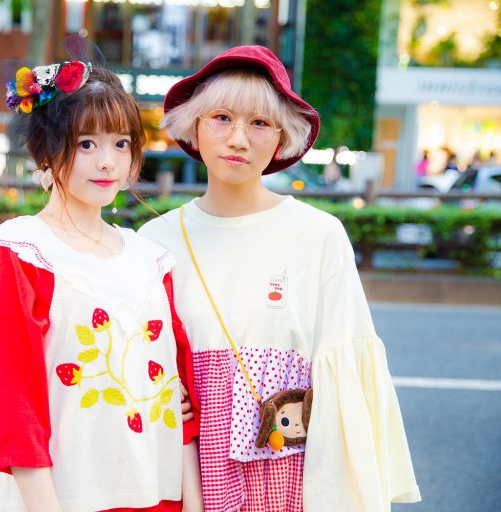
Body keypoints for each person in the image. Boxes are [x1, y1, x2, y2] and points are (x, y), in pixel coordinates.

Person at [139, 46, 420, 512]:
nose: (238, 139)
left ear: (281, 137)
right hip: (183, 470)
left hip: (286, 473)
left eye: (259, 123)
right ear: (194, 126)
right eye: (222, 118)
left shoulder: (319, 235)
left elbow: (344, 374)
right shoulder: (155, 240)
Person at [0, 59, 202, 512]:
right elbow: (13, 410)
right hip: (65, 497)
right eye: (86, 143)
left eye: (121, 143)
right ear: (45, 151)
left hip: (159, 493)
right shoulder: (18, 253)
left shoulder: (150, 259)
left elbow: (181, 401)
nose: (107, 162)